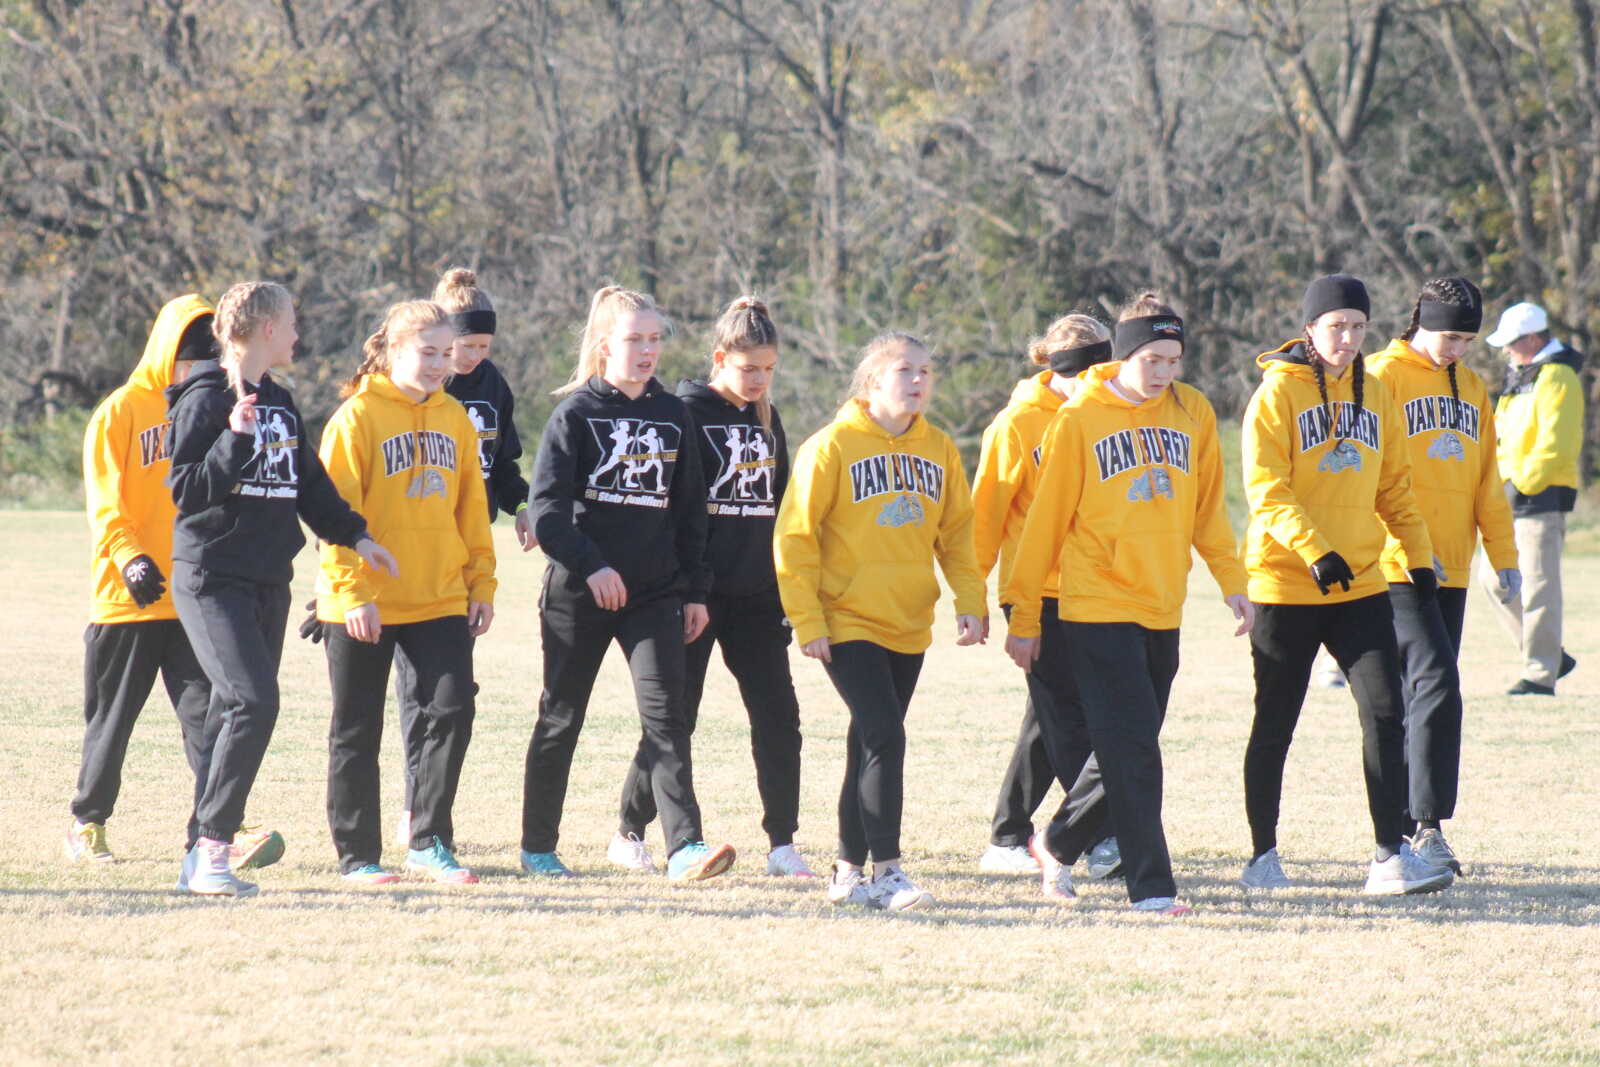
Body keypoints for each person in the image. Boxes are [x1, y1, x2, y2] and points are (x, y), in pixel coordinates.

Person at [1003, 295, 1250, 916]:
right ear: (1124, 354)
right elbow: (1044, 527)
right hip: (1095, 605)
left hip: (1162, 605)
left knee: (1127, 747)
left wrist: (1233, 581)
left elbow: (1207, 512)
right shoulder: (1081, 417)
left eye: (1174, 359)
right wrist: (1025, 617)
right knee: (1135, 750)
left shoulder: (1192, 412)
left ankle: (1057, 843)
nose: (1165, 372)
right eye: (1152, 359)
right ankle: (1153, 888)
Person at [166, 281, 397, 897]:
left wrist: (355, 535)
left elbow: (310, 487)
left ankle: (198, 853)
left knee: (225, 716)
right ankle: (216, 851)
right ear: (265, 328)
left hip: (268, 580)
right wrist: (233, 438)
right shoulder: (203, 400)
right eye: (292, 322)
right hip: (211, 578)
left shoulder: (282, 401)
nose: (298, 333)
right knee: (253, 701)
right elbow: (187, 493)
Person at [1238, 273, 1454, 897]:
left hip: (1359, 582)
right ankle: (1262, 855)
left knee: (1387, 710)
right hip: (1285, 583)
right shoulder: (1276, 395)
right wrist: (1314, 550)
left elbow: (1395, 486)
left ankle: (1389, 855)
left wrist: (1417, 558)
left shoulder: (1378, 392)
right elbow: (1267, 489)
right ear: (1309, 328)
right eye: (1337, 326)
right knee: (1276, 721)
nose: (1348, 338)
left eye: (1359, 327)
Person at [520, 285, 735, 883]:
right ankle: (538, 846)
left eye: (654, 339)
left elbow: (692, 512)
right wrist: (593, 566)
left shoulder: (674, 415)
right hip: (580, 592)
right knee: (561, 718)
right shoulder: (575, 415)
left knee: (668, 719)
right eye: (634, 339)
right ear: (603, 345)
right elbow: (547, 511)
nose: (647, 351)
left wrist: (694, 591)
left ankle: (685, 847)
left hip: (655, 594)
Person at [68, 293, 282, 873]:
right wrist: (130, 559)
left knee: (210, 719)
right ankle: (89, 822)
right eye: (190, 362)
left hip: (192, 593)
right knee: (111, 724)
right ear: (168, 354)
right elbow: (105, 502)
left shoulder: (217, 402)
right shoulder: (120, 411)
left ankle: (216, 829)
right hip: (127, 599)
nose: (199, 371)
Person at [775, 332, 988, 911]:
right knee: (885, 735)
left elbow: (958, 537)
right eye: (903, 370)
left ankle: (846, 870)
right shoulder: (832, 446)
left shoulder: (939, 449)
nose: (918, 380)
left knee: (869, 741)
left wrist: (971, 601)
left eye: (925, 370)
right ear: (872, 382)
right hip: (846, 619)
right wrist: (807, 618)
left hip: (909, 617)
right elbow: (795, 538)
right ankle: (888, 871)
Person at [611, 296, 814, 877]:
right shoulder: (684, 413)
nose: (759, 380)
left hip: (757, 598)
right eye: (749, 368)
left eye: (769, 370)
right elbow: (674, 510)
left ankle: (782, 843)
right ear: (720, 358)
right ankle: (629, 831)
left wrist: (786, 592)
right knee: (677, 718)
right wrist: (686, 589)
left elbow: (781, 512)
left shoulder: (768, 422)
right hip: (694, 595)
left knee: (779, 717)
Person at [315, 300, 496, 885]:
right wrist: (355, 592)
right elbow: (333, 515)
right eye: (428, 353)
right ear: (393, 351)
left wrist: (481, 582)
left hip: (439, 593)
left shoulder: (455, 418)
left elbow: (473, 510)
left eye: (447, 354)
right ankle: (358, 856)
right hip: (363, 601)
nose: (441, 364)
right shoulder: (356, 418)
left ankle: (428, 839)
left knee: (452, 707)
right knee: (356, 727)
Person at [1368, 277, 1517, 874]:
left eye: (1467, 338)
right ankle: (1427, 827)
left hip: (1452, 564)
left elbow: (1487, 480)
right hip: (1396, 561)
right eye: (1448, 335)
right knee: (1436, 682)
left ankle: (1402, 830)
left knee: (1419, 695)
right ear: (1420, 321)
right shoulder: (1381, 375)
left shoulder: (1474, 386)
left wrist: (1504, 557)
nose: (1456, 348)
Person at [971, 313, 1119, 880]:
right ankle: (1102, 837)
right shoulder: (1016, 426)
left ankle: (1008, 836)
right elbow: (984, 518)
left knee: (1048, 717)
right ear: (1065, 372)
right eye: (1096, 371)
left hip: (1096, 589)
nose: (1106, 380)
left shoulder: (1105, 412)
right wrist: (972, 596)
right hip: (1035, 593)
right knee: (1068, 720)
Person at [389, 268, 532, 848]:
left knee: (450, 693)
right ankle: (412, 806)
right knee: (416, 692)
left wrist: (524, 505)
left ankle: (427, 808)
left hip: (464, 552)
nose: (472, 358)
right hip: (411, 550)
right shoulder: (422, 387)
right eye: (465, 347)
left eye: (481, 348)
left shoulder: (493, 385)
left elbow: (503, 464)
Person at [1475, 301, 1585, 695]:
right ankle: (1551, 653)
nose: (1504, 350)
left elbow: (1556, 443)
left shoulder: (1557, 377)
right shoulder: (1521, 376)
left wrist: (1521, 484)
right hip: (1507, 495)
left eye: (1510, 343)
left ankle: (1540, 673)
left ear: (1534, 339)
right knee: (1492, 580)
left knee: (1537, 586)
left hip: (1538, 497)